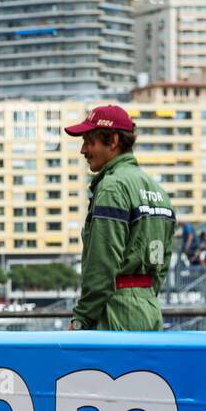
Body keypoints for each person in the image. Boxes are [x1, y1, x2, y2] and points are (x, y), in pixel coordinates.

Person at [65, 105, 176, 331]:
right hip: (150, 311)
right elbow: (162, 263)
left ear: (113, 141)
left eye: (89, 141)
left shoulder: (112, 188)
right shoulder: (159, 191)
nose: (83, 150)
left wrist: (81, 319)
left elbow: (103, 262)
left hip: (114, 314)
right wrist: (142, 296)